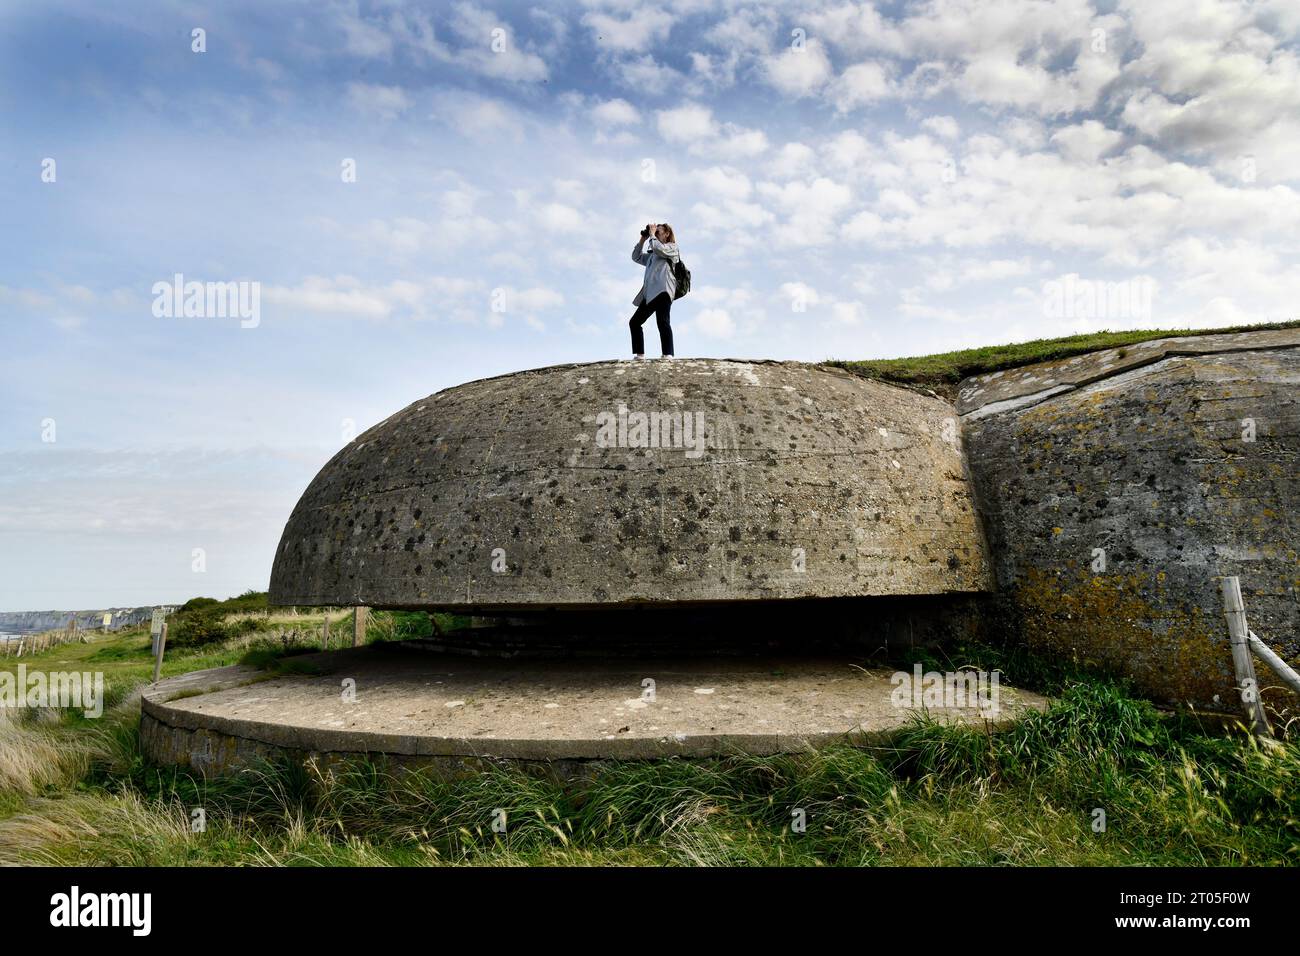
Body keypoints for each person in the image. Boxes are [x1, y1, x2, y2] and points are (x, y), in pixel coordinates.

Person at [628, 222, 680, 359]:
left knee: (662, 321)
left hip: (663, 291)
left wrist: (652, 234)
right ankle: (640, 355)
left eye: (658, 231)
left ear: (667, 233)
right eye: (655, 231)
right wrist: (643, 239)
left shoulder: (672, 248)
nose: (655, 233)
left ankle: (668, 354)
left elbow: (659, 249)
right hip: (650, 294)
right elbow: (636, 257)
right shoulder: (652, 255)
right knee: (634, 322)